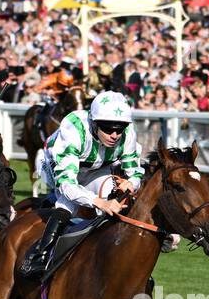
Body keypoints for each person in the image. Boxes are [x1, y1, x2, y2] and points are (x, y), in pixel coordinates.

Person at [19, 91, 145, 281]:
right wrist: (99, 203)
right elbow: (67, 184)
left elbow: (135, 173)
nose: (114, 135)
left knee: (113, 189)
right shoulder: (74, 128)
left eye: (120, 129)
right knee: (68, 202)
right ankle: (41, 254)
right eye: (108, 128)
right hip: (55, 164)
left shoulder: (127, 134)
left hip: (96, 166)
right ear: (94, 123)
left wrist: (131, 183)